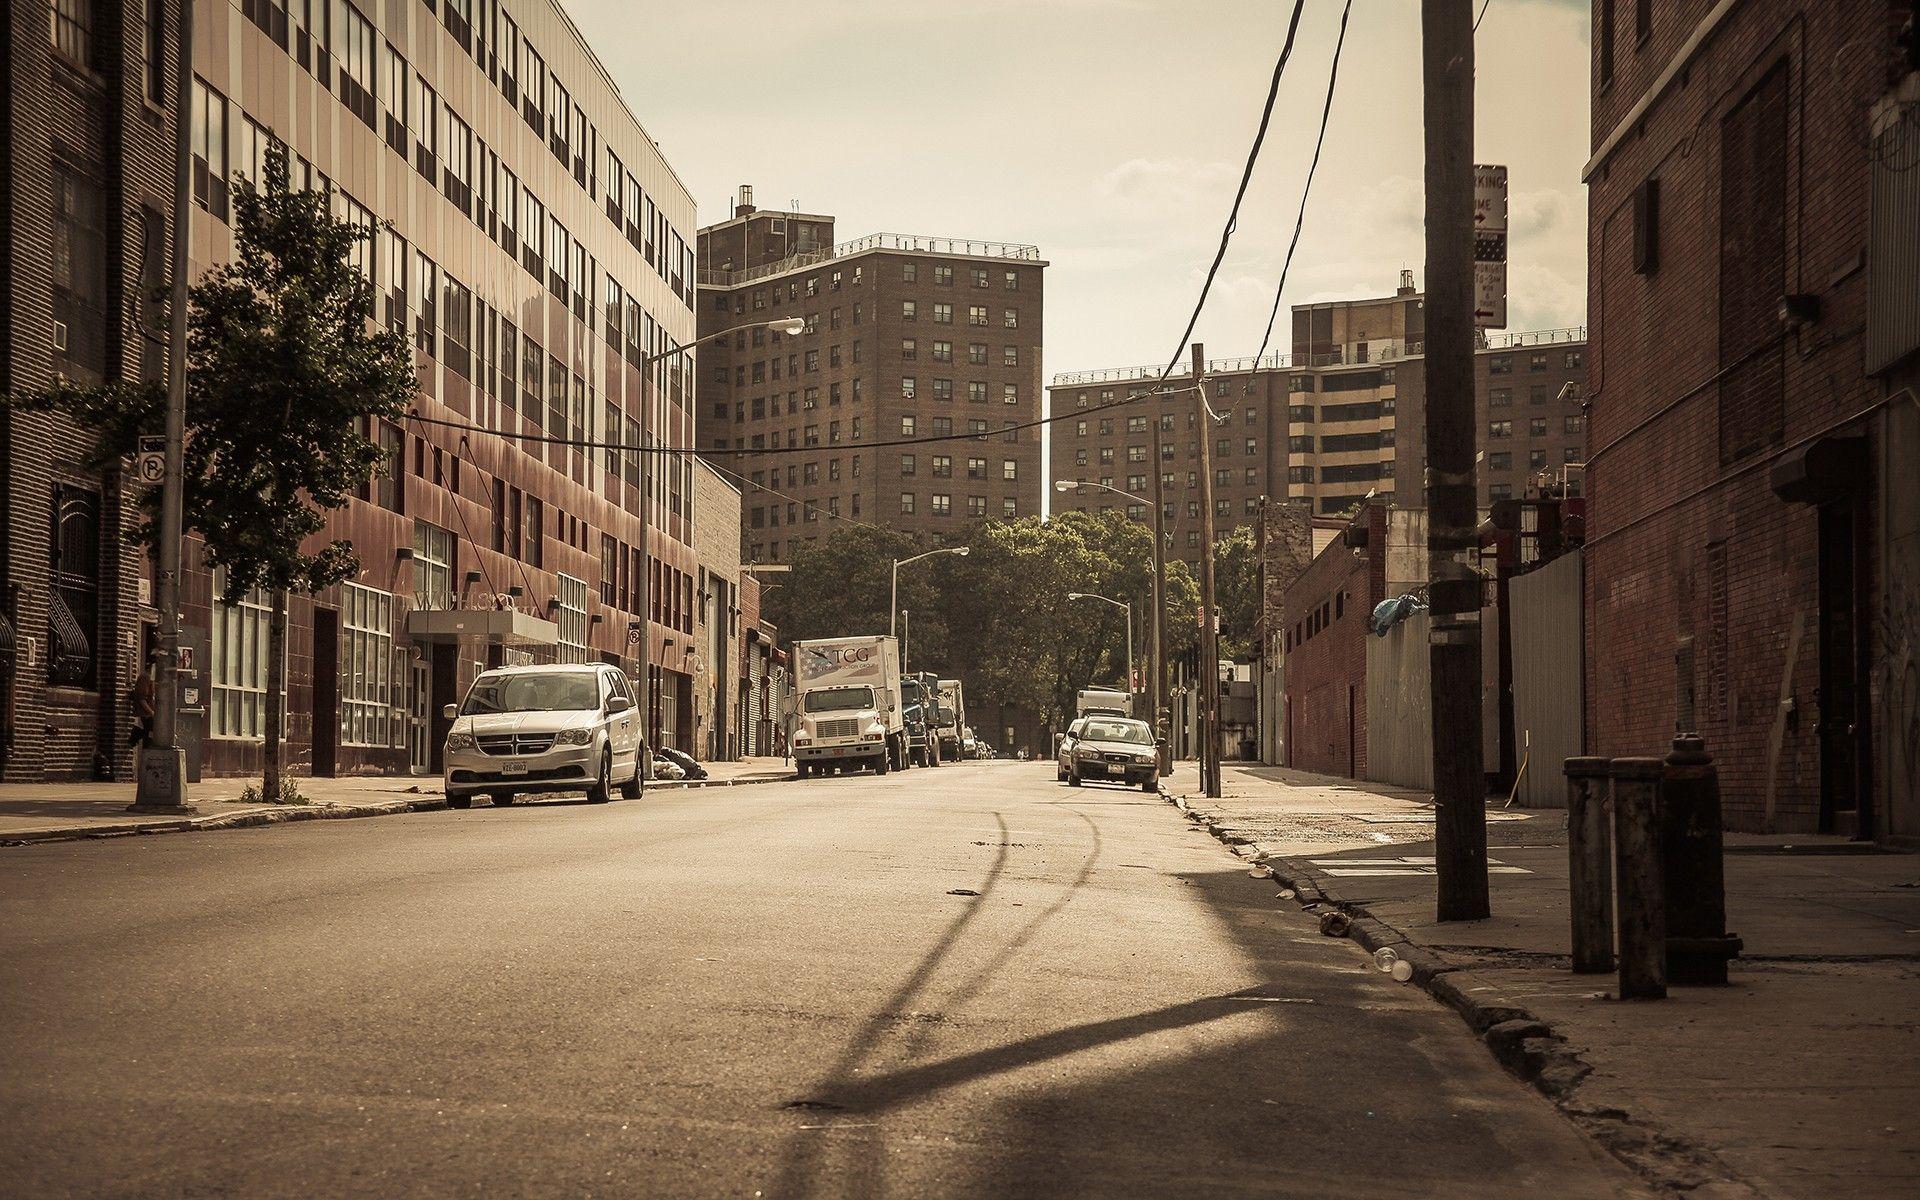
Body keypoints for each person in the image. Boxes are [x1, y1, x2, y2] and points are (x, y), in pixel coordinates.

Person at [126, 656, 157, 748]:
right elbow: (141, 698)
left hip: (150, 712)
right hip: (146, 714)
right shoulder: (145, 677)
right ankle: (136, 734)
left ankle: (137, 735)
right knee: (154, 731)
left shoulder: (152, 679)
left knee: (150, 733)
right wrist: (151, 713)